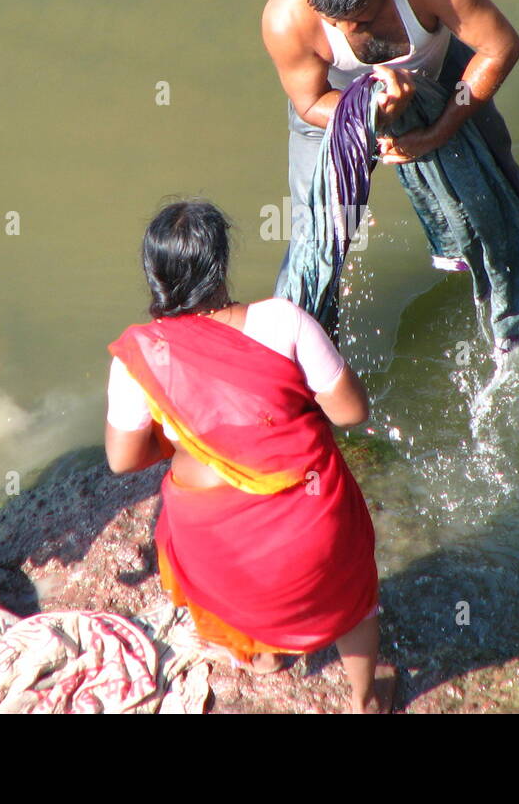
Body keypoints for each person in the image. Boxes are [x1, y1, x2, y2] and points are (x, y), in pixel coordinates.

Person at [104, 201, 390, 713]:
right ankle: (364, 700)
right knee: (353, 601)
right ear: (221, 263)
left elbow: (123, 460)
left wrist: (182, 437)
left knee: (210, 555)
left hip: (215, 548)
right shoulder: (283, 320)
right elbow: (350, 413)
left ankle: (263, 658)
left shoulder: (141, 354)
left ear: (154, 274)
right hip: (309, 529)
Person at [262, 0, 519, 293]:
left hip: (441, 79)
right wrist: (372, 110)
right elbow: (310, 101)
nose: (350, 32)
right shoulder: (285, 19)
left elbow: (500, 47)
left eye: (363, 18)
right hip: (335, 107)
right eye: (336, 23)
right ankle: (295, 332)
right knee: (316, 232)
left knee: (501, 181)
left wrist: (437, 132)